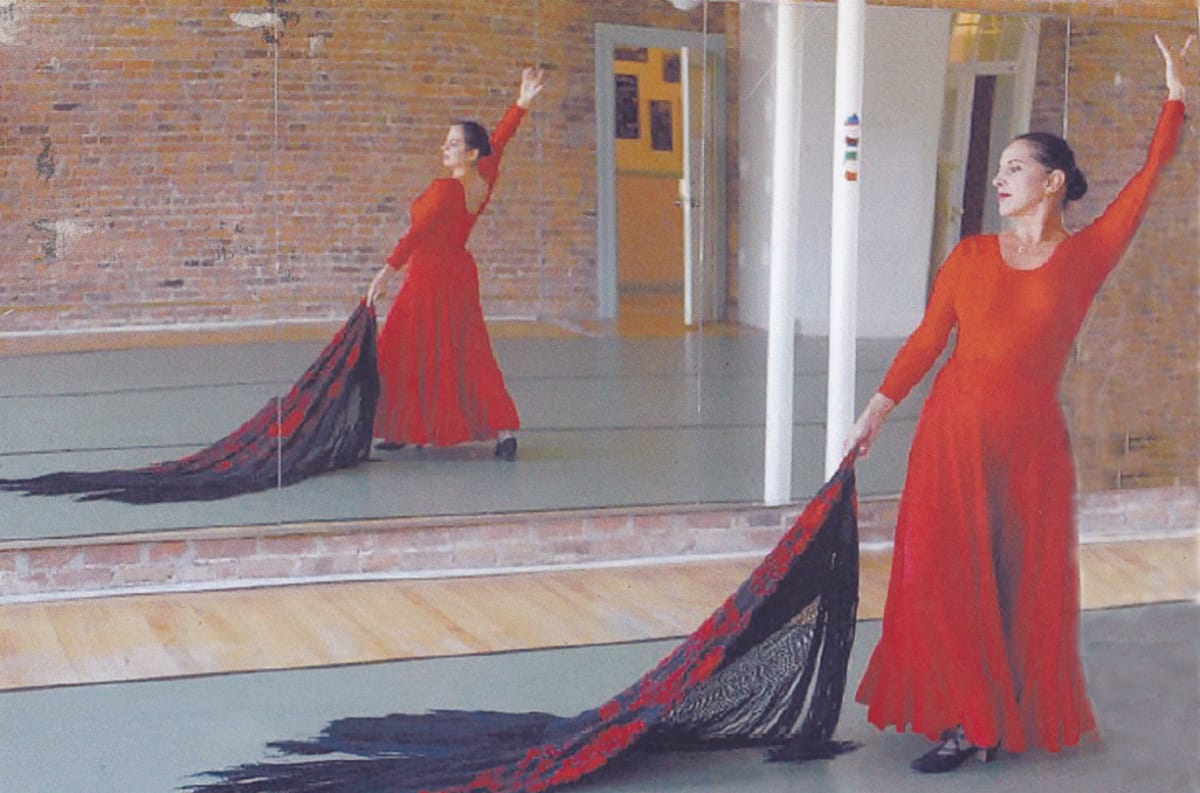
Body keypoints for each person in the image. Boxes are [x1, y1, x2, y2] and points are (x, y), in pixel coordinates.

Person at [845, 34, 1191, 774]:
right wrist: (876, 409)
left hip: (1029, 447)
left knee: (1012, 583)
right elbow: (927, 340)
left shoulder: (1085, 256)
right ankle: (966, 717)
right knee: (944, 578)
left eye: (1014, 167)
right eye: (998, 168)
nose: (999, 178)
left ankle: (992, 715)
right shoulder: (969, 257)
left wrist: (1176, 97)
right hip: (950, 437)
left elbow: (1150, 174)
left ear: (1054, 180)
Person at [368, 67, 546, 461]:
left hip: (429, 275)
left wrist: (385, 272)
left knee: (403, 350)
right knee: (466, 350)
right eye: (445, 142)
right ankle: (499, 432)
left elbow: (414, 237)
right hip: (459, 273)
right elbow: (501, 139)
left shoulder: (445, 189)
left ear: (470, 152)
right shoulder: (484, 176)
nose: (444, 148)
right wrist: (522, 102)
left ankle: (403, 425)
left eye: (452, 144)